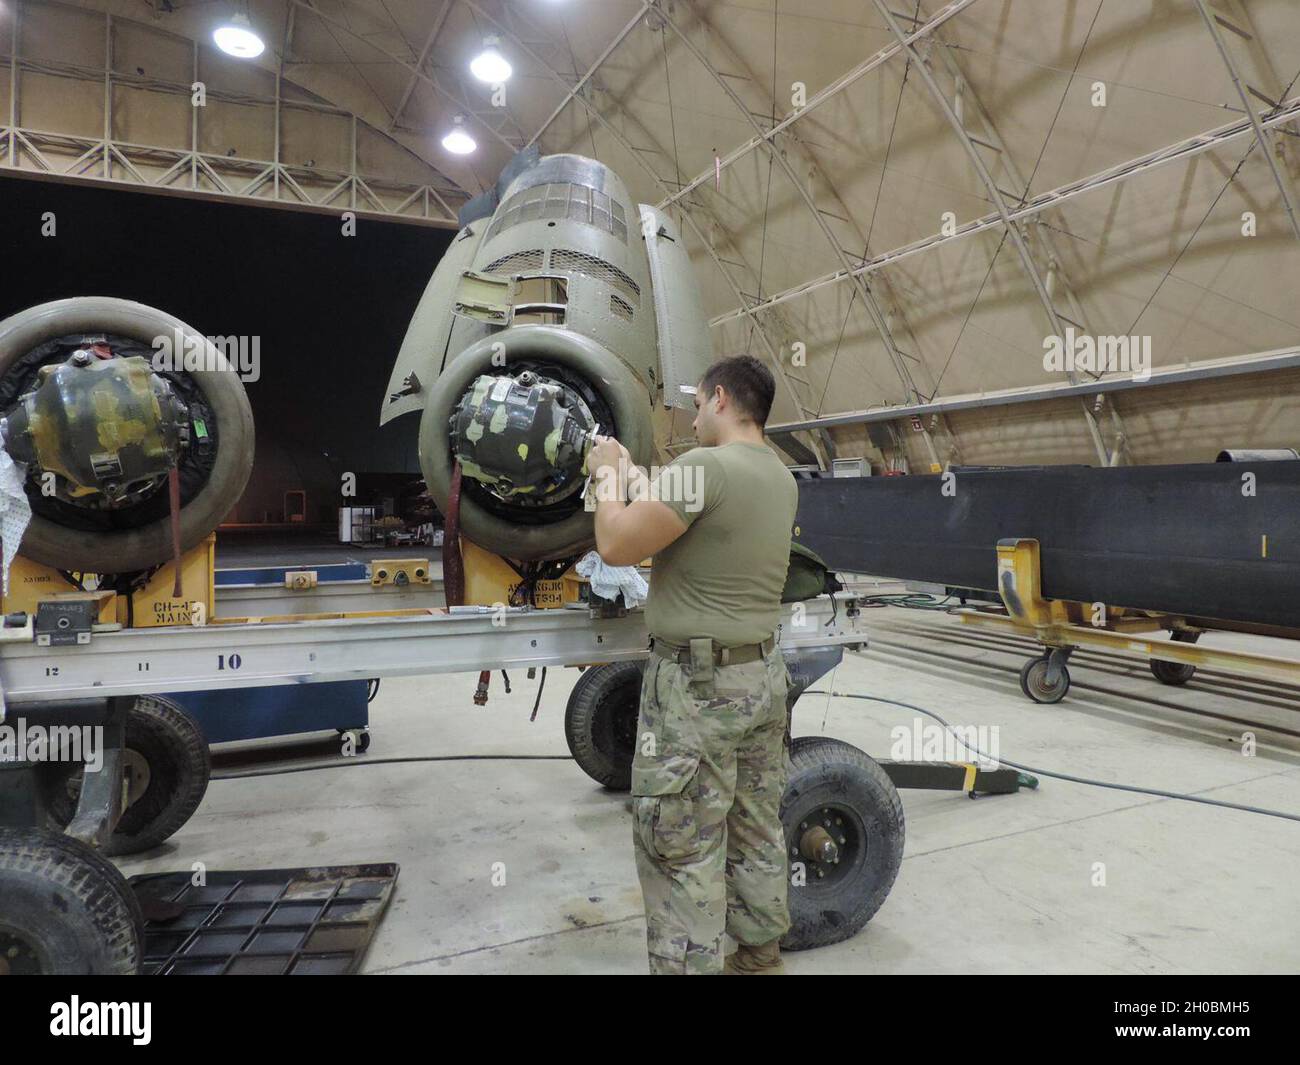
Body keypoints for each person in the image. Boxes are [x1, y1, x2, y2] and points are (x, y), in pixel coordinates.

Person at [586, 354, 798, 975]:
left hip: (696, 689)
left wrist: (604, 478)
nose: (696, 416)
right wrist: (632, 477)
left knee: (680, 840)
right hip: (760, 677)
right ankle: (758, 959)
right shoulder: (779, 477)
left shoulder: (704, 466)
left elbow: (619, 544)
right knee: (755, 827)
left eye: (700, 403)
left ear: (722, 398)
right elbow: (683, 522)